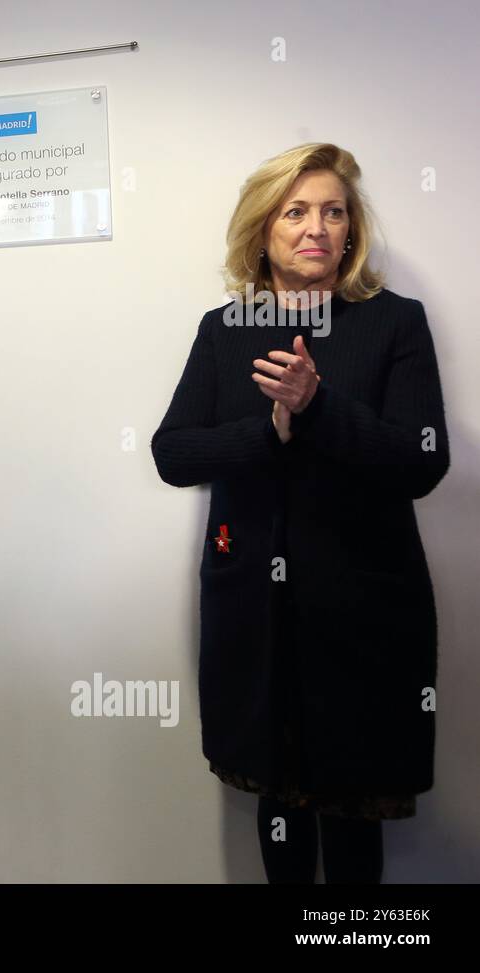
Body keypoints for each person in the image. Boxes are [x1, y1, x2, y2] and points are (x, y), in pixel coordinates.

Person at [152, 143, 449, 884]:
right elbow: (173, 452)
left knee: (353, 812)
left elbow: (424, 458)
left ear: (352, 231)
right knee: (278, 801)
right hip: (255, 610)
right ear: (264, 229)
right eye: (296, 211)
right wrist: (270, 430)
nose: (316, 226)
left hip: (364, 612)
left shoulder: (393, 322)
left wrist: (317, 408)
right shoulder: (225, 328)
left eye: (334, 211)